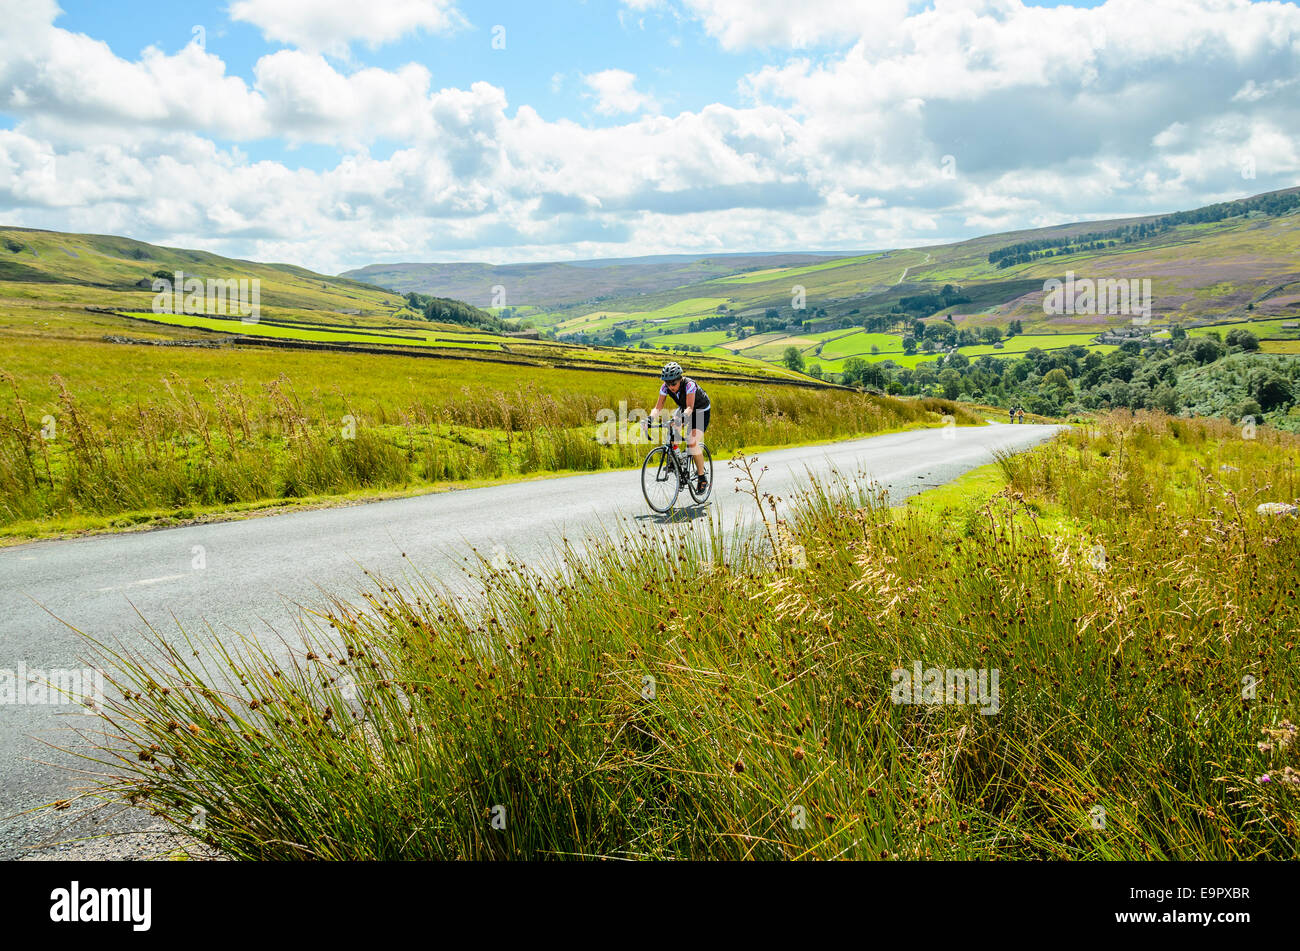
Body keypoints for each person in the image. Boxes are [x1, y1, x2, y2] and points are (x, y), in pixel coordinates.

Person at [647, 362, 711, 495]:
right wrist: (649, 419)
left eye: (673, 383)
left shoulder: (689, 385)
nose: (670, 387)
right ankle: (675, 460)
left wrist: (681, 420)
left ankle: (701, 477)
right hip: (684, 409)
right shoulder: (665, 388)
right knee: (670, 433)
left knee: (692, 442)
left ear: (680, 379)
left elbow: (690, 408)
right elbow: (658, 407)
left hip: (700, 411)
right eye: (667, 383)